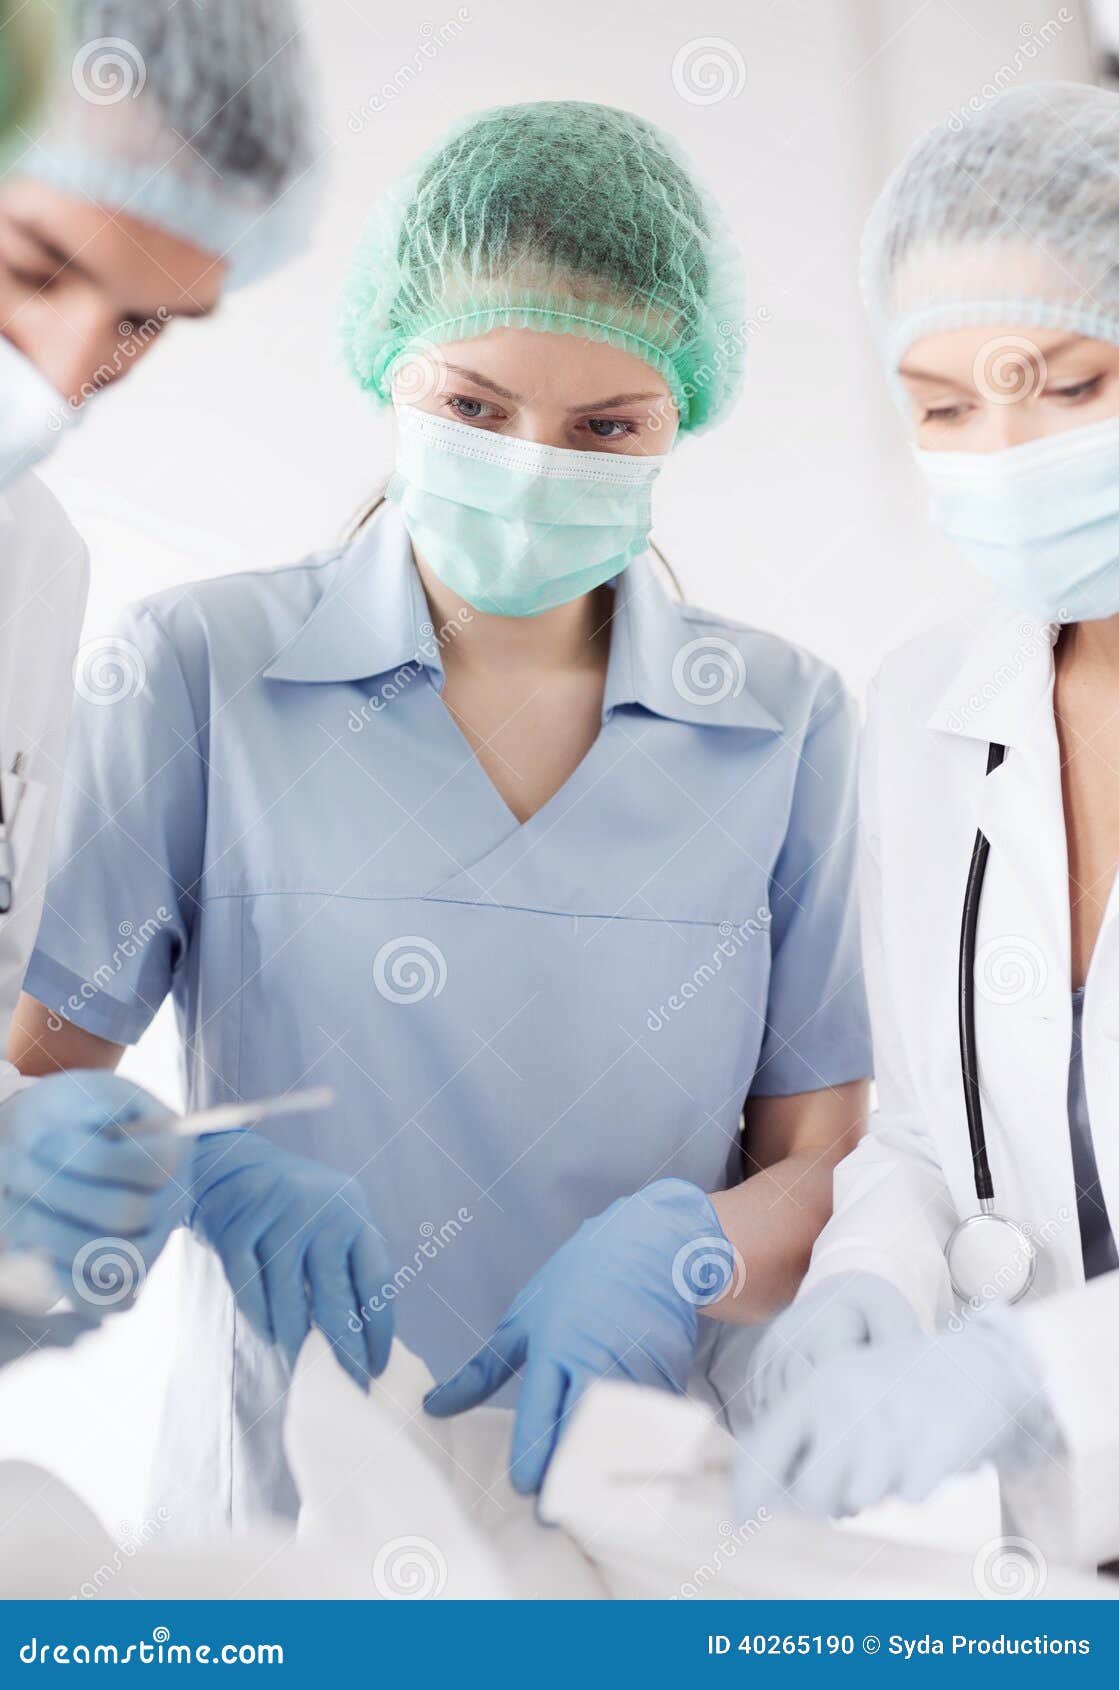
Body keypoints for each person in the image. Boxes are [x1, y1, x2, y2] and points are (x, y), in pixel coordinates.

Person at [10, 100, 871, 1531]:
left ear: (684, 414)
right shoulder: (200, 671)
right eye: (474, 409)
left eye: (605, 428)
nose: (531, 466)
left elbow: (829, 1170)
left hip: (652, 1527)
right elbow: (33, 1090)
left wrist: (686, 1253)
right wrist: (191, 1167)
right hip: (282, 1532)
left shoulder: (783, 723)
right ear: (388, 367)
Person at [736, 84, 1119, 1562]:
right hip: (1060, 1554)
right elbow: (921, 1122)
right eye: (947, 407)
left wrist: (1042, 1375)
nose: (1002, 454)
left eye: (1067, 387)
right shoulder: (924, 702)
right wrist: (870, 1281)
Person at [0, 0, 321, 1361]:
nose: (74, 372)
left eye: (142, 321)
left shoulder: (28, 562)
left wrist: (41, 1190)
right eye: (32, 267)